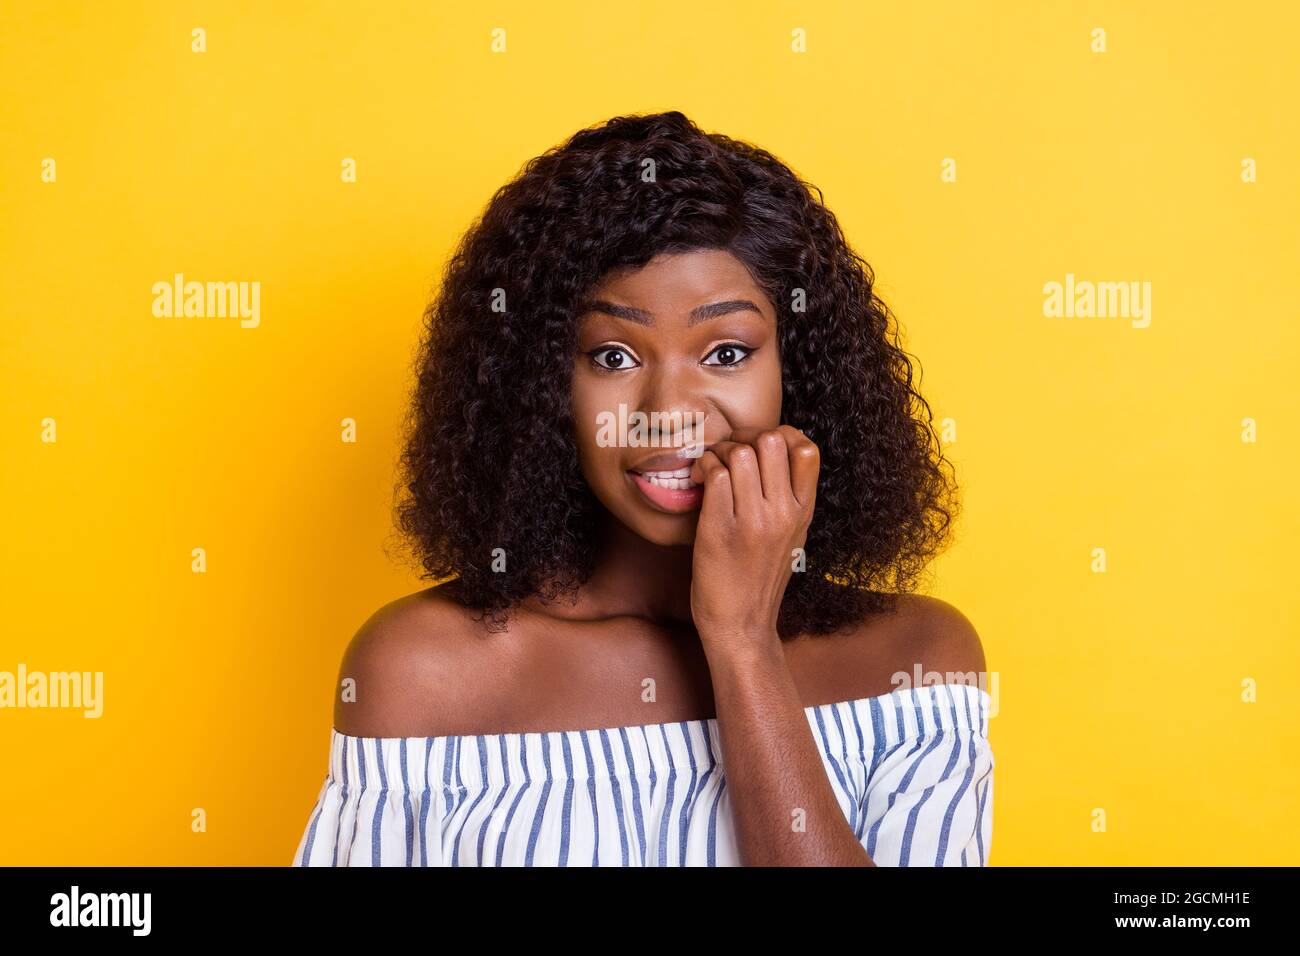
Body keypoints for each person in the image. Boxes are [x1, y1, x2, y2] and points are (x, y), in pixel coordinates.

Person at [292, 110, 993, 866]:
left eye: (725, 352)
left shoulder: (916, 663)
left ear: (803, 373)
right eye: (614, 357)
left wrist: (743, 641)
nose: (668, 416)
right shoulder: (423, 670)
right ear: (541, 385)